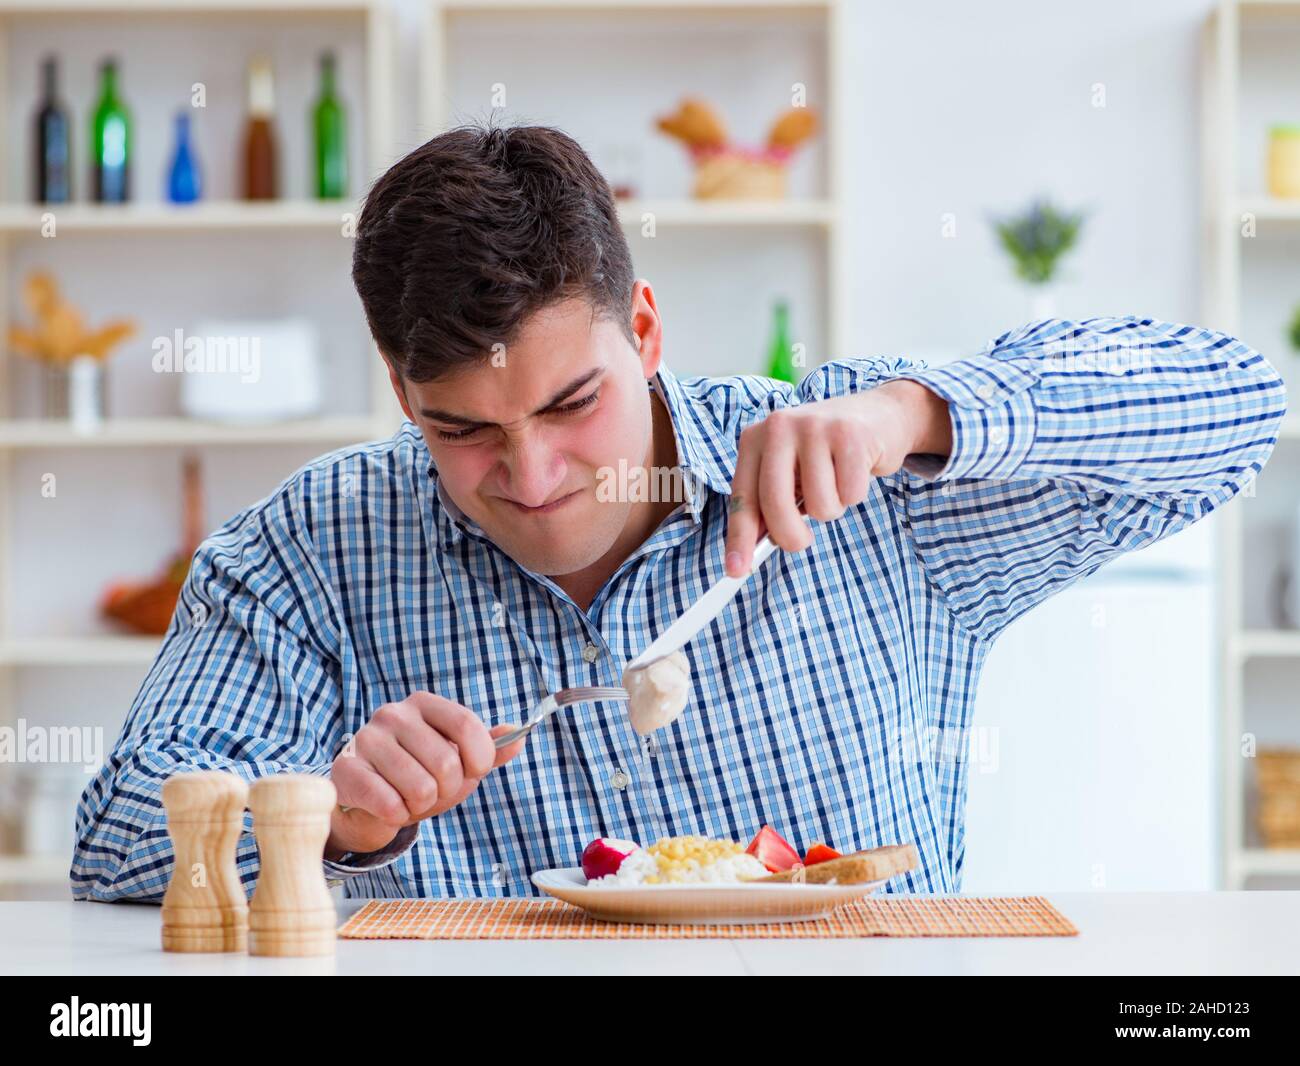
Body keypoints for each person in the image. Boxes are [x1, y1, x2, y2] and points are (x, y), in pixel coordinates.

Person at [73, 125, 1286, 900]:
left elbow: (1241, 406)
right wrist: (325, 819)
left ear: (644, 327)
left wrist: (915, 412)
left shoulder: (871, 486)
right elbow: (119, 844)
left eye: (573, 402)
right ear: (400, 391)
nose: (536, 473)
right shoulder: (317, 543)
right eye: (465, 431)